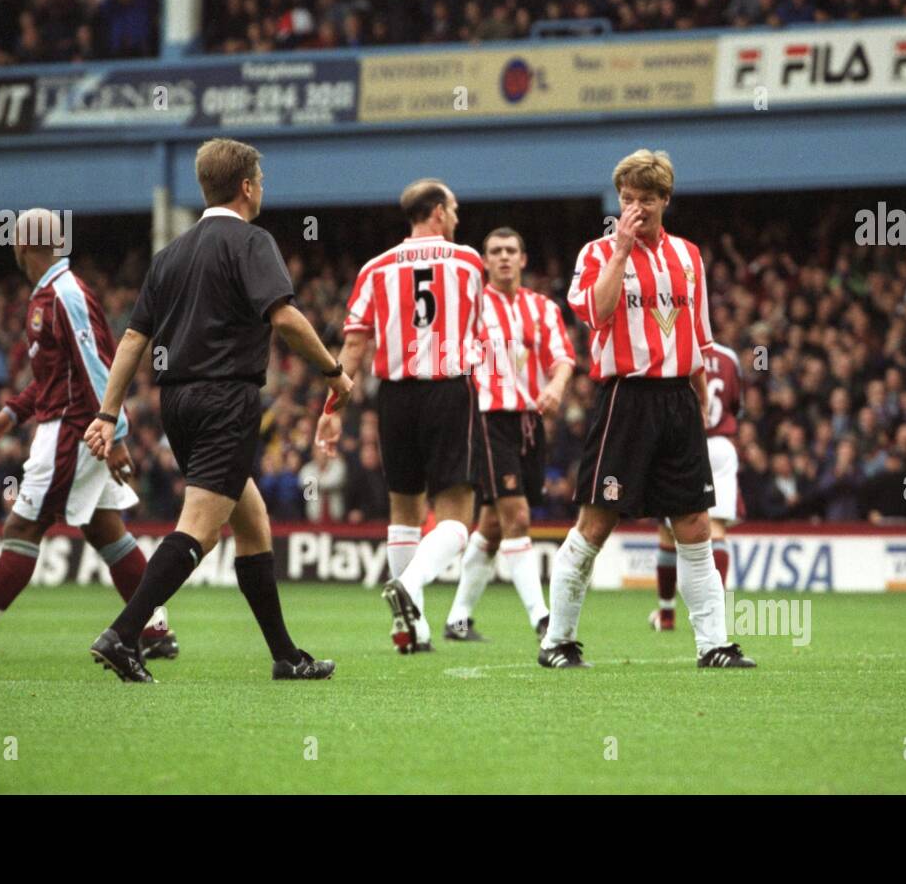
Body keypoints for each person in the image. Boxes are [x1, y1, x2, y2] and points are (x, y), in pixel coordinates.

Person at [85, 138, 350, 682]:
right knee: (200, 530)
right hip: (226, 400)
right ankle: (124, 634)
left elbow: (133, 340)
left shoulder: (170, 255)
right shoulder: (252, 242)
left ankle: (284, 654)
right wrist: (333, 371)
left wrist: (108, 415)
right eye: (262, 180)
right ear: (248, 187)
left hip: (176, 403)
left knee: (251, 523)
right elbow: (286, 318)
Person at [0, 209, 176, 662]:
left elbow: (98, 364)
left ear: (26, 245)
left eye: (15, 239)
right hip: (73, 423)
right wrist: (12, 414)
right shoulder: (49, 294)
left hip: (75, 430)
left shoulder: (64, 294)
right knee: (104, 528)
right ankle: (155, 631)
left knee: (23, 524)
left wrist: (113, 434)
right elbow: (59, 375)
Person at [538, 150, 754, 670]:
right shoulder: (596, 253)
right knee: (595, 525)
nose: (635, 207)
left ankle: (713, 646)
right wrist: (619, 250)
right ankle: (557, 642)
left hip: (678, 399)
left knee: (696, 526)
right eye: (627, 198)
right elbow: (595, 312)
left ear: (665, 200)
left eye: (646, 199)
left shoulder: (688, 256)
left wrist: (699, 391)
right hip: (625, 400)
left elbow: (699, 333)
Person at [316, 178, 484, 654]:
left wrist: (332, 410)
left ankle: (410, 629)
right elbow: (481, 327)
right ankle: (409, 586)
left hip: (394, 398)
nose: (456, 217)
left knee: (403, 512)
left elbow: (353, 345)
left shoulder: (376, 267)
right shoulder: (469, 261)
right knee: (456, 517)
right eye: (451, 209)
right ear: (435, 212)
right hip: (447, 391)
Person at [444, 226, 574, 642]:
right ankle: (542, 618)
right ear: (484, 261)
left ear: (523, 259)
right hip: (488, 417)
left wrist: (555, 386)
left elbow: (564, 357)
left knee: (493, 524)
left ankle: (457, 620)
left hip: (530, 422)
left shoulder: (543, 308)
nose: (503, 257)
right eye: (495, 251)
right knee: (517, 516)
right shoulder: (470, 308)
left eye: (510, 250)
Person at [651, 340, 742, 630]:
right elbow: (736, 405)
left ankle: (666, 614)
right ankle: (716, 613)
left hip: (683, 444)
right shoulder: (729, 358)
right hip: (721, 446)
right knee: (717, 530)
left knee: (667, 532)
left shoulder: (673, 348)